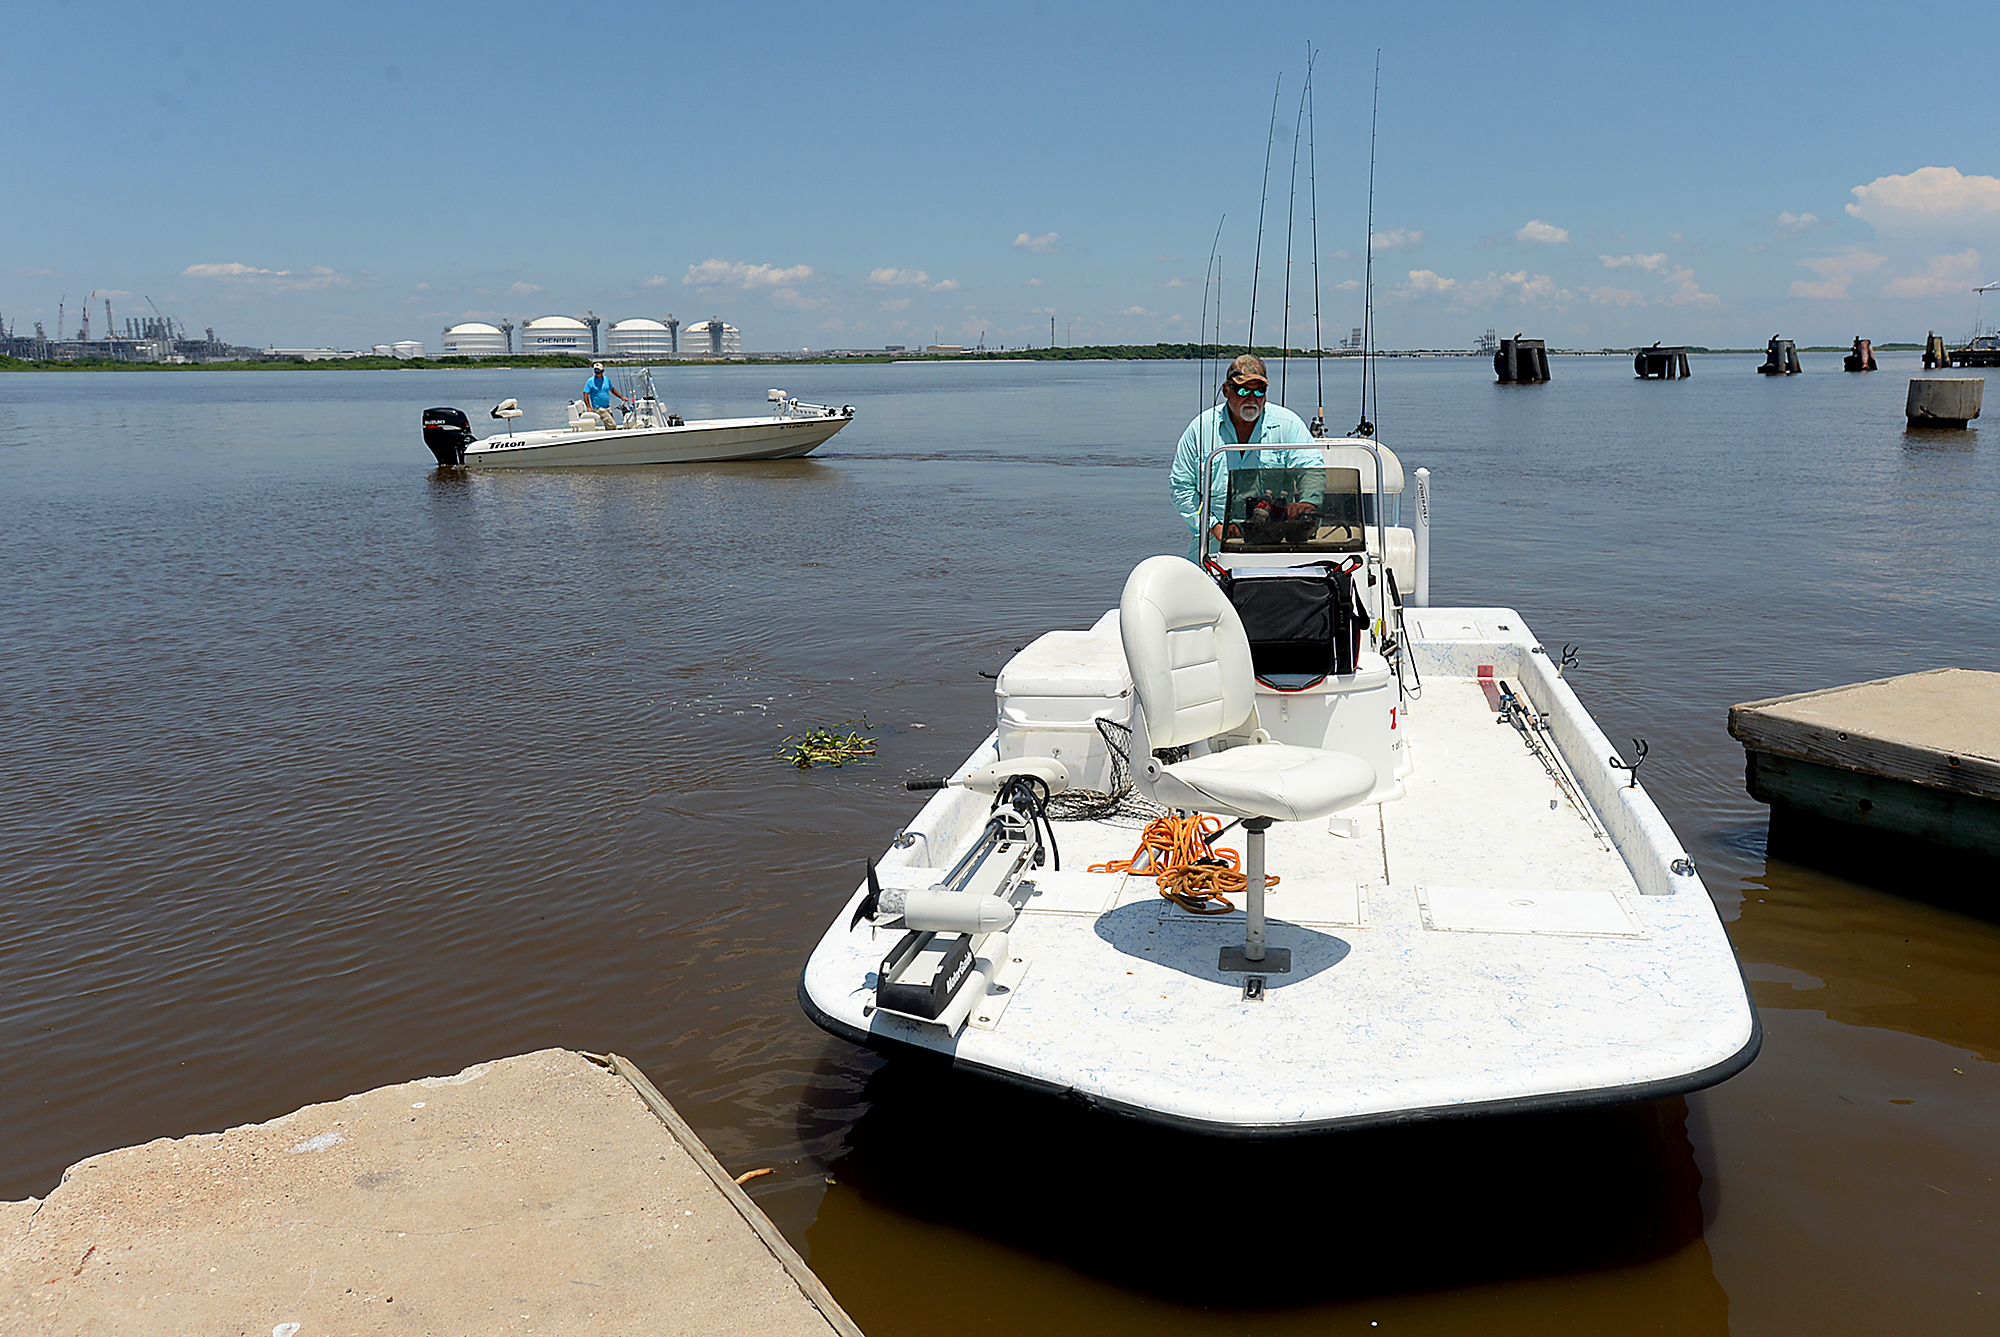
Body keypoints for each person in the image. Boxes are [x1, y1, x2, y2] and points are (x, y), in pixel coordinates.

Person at [1169, 354, 1323, 561]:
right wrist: (1213, 526)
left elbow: (1311, 468)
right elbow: (1182, 488)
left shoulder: (1289, 424)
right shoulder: (1200, 429)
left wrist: (1308, 502)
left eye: (1259, 391)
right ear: (1226, 390)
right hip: (1214, 544)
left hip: (1275, 539)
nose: (1251, 398)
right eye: (1243, 390)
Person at [581, 362, 630, 428]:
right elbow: (585, 394)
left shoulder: (606, 379)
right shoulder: (590, 381)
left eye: (598, 370)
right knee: (612, 425)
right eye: (595, 370)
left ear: (603, 371)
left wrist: (621, 397)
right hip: (599, 408)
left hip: (607, 407)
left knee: (609, 425)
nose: (597, 372)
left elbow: (612, 389)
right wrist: (589, 407)